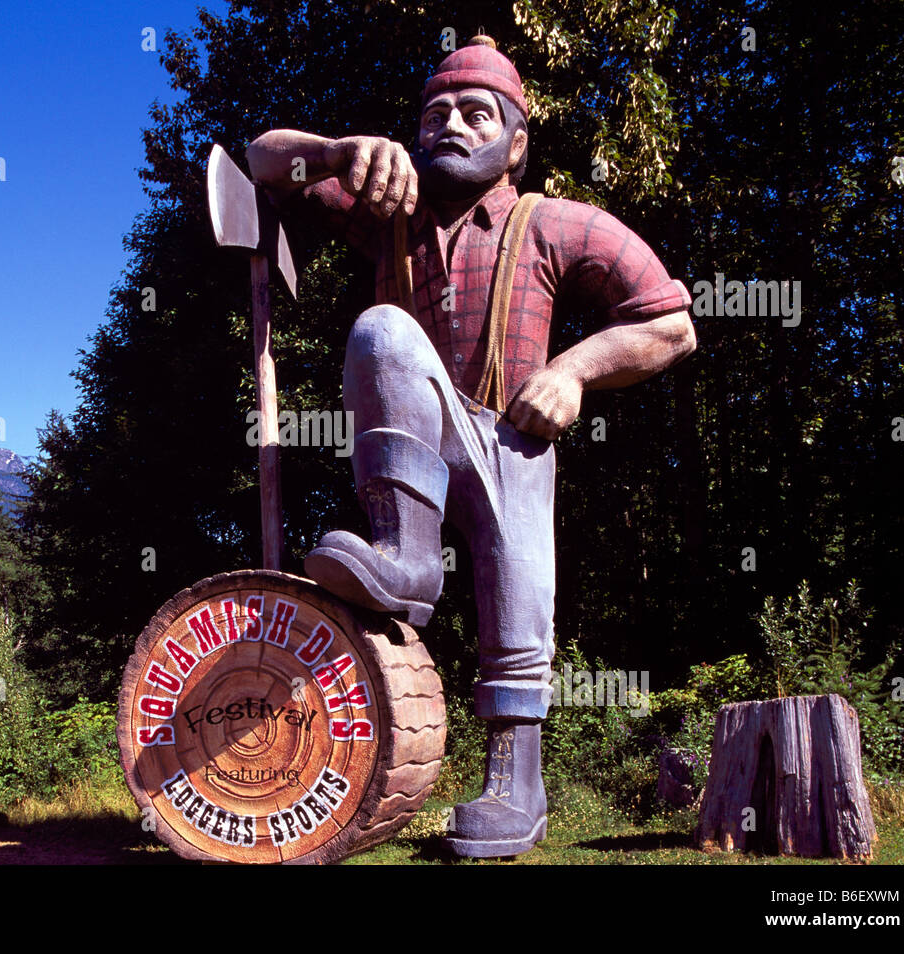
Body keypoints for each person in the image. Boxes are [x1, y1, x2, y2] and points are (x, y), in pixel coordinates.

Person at [246, 35, 696, 857]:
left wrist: (575, 371)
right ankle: (407, 555)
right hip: (415, 435)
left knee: (521, 592)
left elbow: (670, 323)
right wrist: (338, 151)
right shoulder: (388, 216)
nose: (451, 124)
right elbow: (262, 160)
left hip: (512, 437)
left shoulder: (557, 223)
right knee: (382, 330)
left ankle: (515, 783)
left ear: (516, 141)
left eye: (475, 112)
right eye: (436, 113)